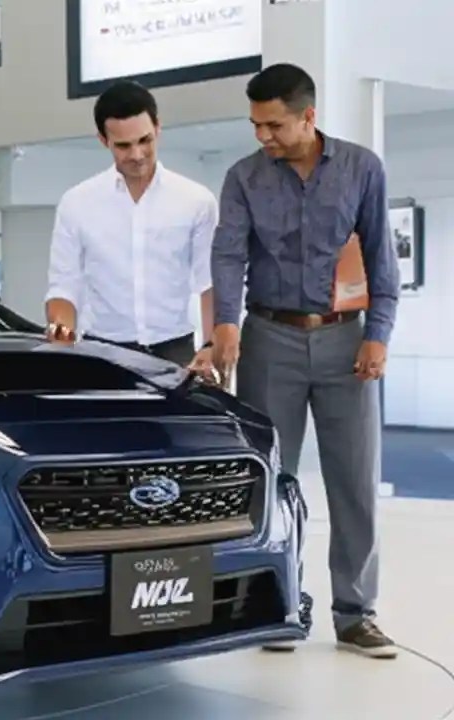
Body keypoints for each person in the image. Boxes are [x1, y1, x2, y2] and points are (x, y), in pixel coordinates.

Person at [211, 63, 401, 659]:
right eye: (256, 125)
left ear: (307, 116)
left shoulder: (361, 168)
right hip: (270, 338)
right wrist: (223, 323)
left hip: (348, 343)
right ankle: (277, 606)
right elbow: (227, 254)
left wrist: (380, 334)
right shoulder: (243, 177)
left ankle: (356, 614)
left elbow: (380, 257)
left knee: (355, 483)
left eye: (274, 125)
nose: (263, 136)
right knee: (272, 481)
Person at [44, 80, 217, 376]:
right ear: (103, 140)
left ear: (158, 128)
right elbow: (64, 285)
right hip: (103, 352)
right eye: (123, 145)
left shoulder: (196, 200)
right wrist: (61, 334)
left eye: (145, 140)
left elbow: (209, 282)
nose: (137, 154)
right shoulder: (76, 203)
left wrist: (211, 345)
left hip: (175, 352)